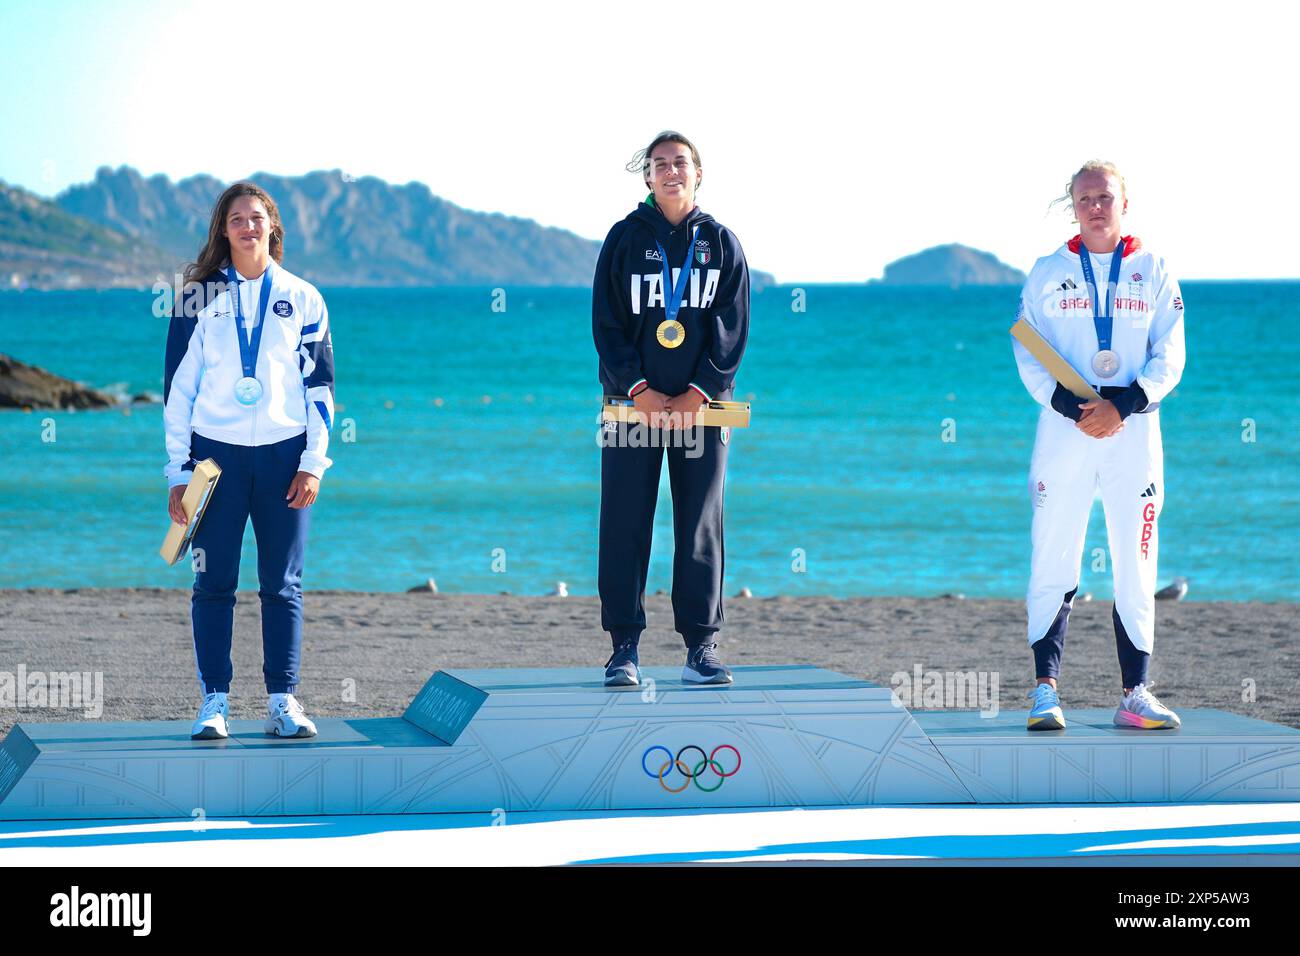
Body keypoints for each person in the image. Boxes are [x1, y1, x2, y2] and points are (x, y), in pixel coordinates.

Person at [1012, 160, 1185, 731]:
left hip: (1132, 432)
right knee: (1052, 553)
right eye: (1084, 198)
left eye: (1104, 197)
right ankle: (1045, 690)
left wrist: (1125, 404)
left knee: (1136, 558)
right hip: (1066, 432)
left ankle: (1135, 692)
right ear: (1073, 205)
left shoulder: (1154, 269)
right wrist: (1069, 407)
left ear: (1124, 203)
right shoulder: (1047, 271)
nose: (1095, 206)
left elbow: (1170, 355)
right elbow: (1028, 349)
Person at [163, 182, 335, 739]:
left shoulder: (304, 297)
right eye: (235, 218)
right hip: (215, 458)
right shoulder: (195, 297)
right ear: (223, 229)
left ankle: (283, 701)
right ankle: (214, 703)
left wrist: (313, 460)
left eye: (255, 217)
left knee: (281, 584)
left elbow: (321, 387)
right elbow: (177, 392)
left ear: (272, 226)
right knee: (213, 583)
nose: (247, 226)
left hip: (285, 457)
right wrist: (177, 471)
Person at [592, 130, 749, 687]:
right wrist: (639, 388)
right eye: (660, 164)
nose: (671, 171)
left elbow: (732, 328)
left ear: (698, 173)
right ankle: (624, 648)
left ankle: (701, 648)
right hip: (634, 409)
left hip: (701, 412)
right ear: (648, 177)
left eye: (680, 162)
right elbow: (606, 323)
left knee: (700, 524)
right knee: (625, 521)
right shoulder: (623, 239)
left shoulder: (722, 243)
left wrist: (697, 392)